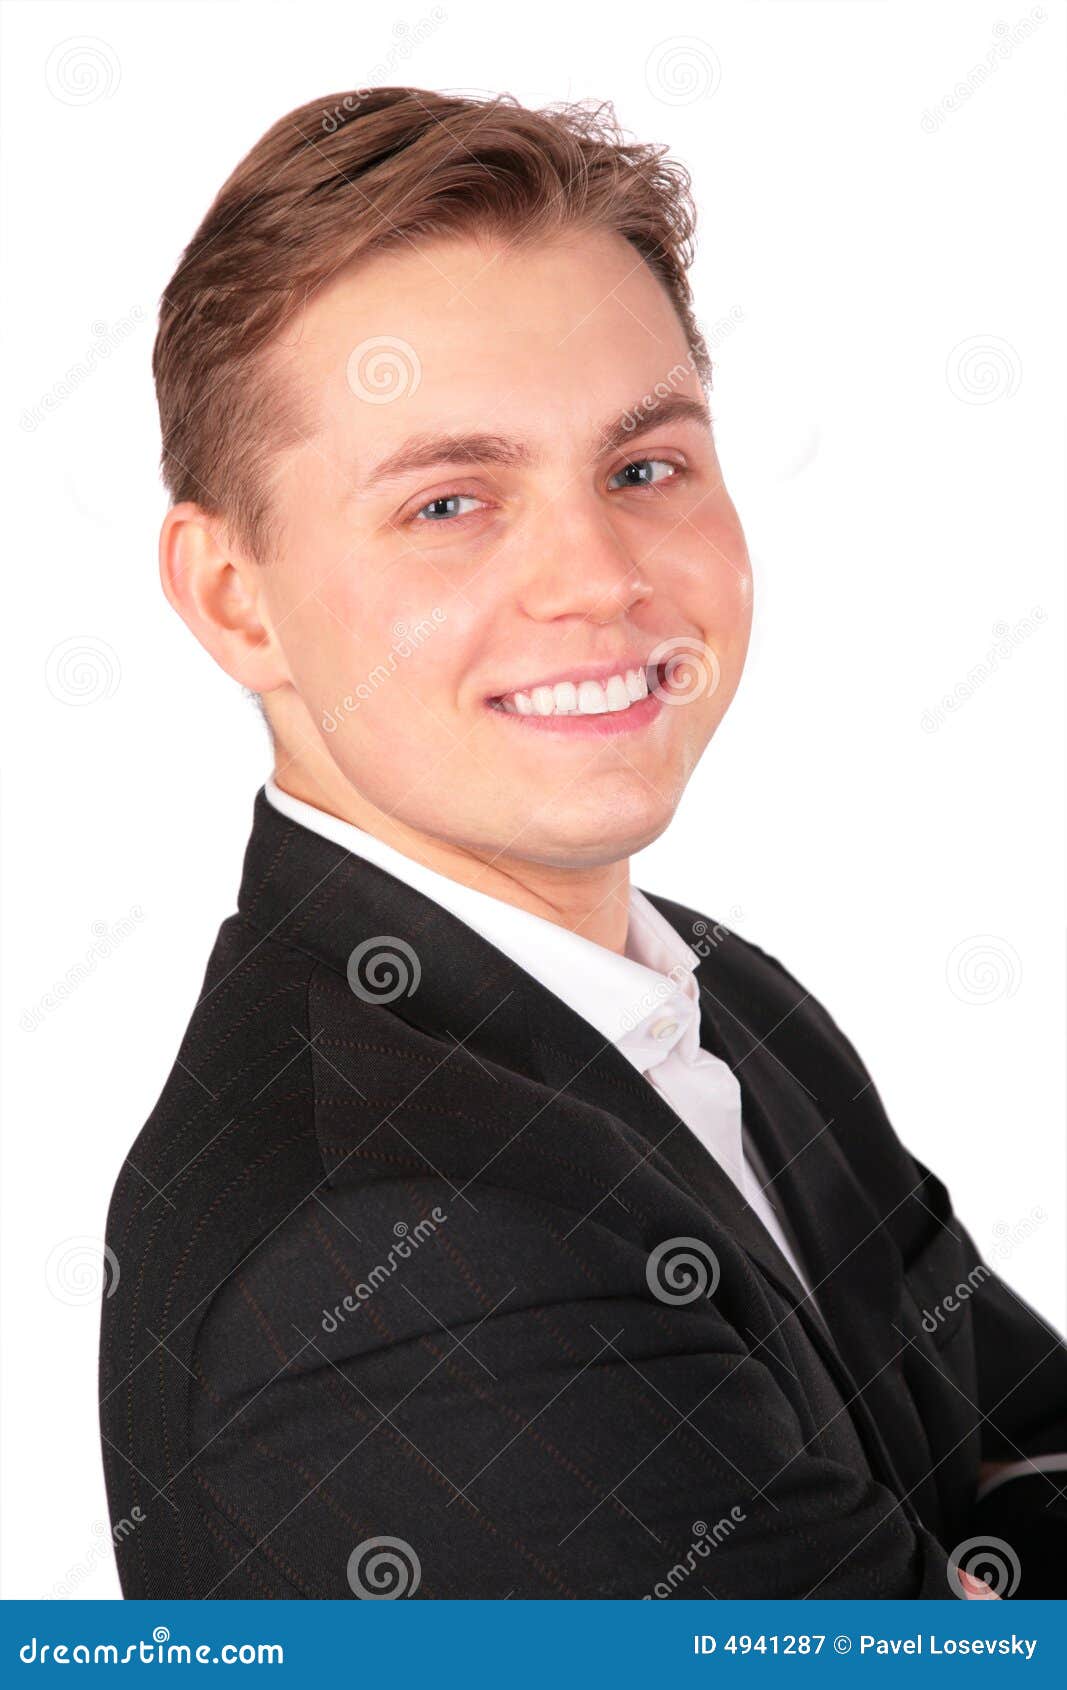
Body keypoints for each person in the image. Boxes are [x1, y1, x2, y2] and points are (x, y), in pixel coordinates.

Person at [99, 86, 1066, 1600]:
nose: (598, 579)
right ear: (234, 596)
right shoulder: (399, 1256)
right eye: (450, 502)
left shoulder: (718, 997)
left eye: (641, 468)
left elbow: (1025, 1433)